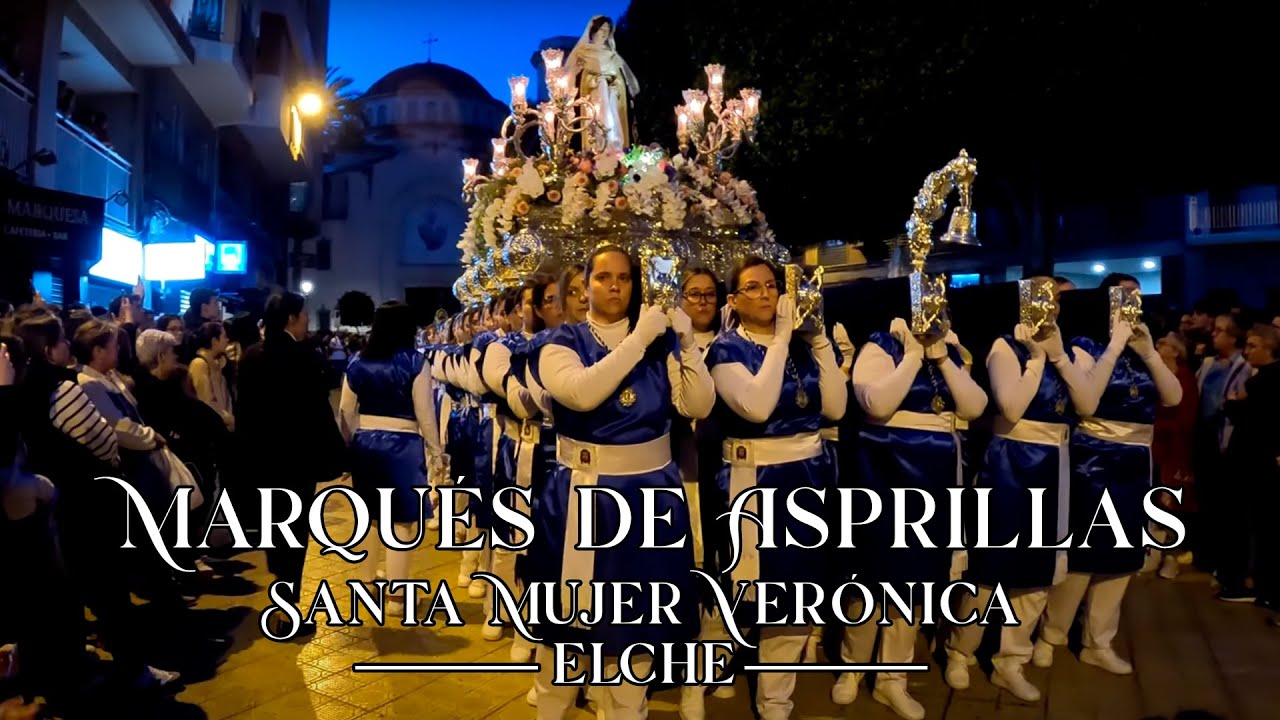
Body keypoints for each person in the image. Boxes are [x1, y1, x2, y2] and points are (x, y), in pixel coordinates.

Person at [526, 245, 715, 720]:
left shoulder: (660, 343)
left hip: (650, 495)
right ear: (584, 285)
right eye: (603, 277)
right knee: (566, 630)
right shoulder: (561, 342)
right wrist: (638, 340)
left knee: (637, 631)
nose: (614, 286)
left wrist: (687, 343)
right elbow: (581, 393)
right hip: (583, 497)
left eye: (624, 278)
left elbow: (698, 406)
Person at [945, 279, 1102, 702]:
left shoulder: (1075, 350)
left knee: (1040, 571)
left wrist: (1058, 358)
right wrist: (1036, 359)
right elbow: (1011, 406)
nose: (1050, 307)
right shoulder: (1004, 347)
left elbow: (1087, 405)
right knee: (989, 567)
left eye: (1057, 300)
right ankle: (962, 650)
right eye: (1042, 298)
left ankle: (1011, 660)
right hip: (1010, 462)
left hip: (1056, 464)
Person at [706, 257, 846, 720]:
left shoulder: (806, 345)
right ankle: (715, 669)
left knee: (796, 596)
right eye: (753, 287)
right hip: (755, 481)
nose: (766, 295)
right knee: (741, 590)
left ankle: (776, 702)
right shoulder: (726, 350)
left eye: (771, 286)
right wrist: (784, 337)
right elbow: (757, 407)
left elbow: (837, 409)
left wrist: (821, 340)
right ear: (733, 301)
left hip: (806, 478)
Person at [843, 313, 987, 719]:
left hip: (935, 478)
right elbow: (875, 401)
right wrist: (911, 355)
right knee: (871, 577)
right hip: (884, 472)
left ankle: (893, 679)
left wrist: (941, 357)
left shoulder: (949, 347)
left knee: (916, 581)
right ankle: (852, 666)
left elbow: (974, 406)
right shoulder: (881, 344)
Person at [1036, 297, 1183, 674]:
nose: (1130, 310)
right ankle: (1051, 635)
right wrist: (1115, 346)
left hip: (1135, 461)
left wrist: (1149, 353)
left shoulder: (1143, 354)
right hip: (1094, 457)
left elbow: (1173, 396)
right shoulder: (1085, 347)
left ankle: (1098, 641)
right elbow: (1087, 401)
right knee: (1083, 555)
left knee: (1123, 556)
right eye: (1122, 301)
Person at [236, 292, 346, 638]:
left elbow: (246, 412)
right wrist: (336, 456)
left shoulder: (252, 356)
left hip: (263, 458)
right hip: (296, 460)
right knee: (294, 532)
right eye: (304, 315)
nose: (307, 321)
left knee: (274, 527)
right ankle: (287, 605)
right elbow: (318, 411)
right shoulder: (303, 356)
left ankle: (280, 593)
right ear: (290, 319)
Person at [340, 302, 445, 615]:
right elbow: (426, 414)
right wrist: (436, 452)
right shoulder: (415, 362)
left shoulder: (358, 361)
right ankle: (399, 597)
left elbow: (346, 411)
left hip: (366, 443)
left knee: (371, 517)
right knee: (401, 521)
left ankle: (367, 581)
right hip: (402, 445)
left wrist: (347, 451)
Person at [1219, 324, 1280, 608]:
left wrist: (1234, 405)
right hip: (1252, 462)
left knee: (1255, 525)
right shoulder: (1260, 380)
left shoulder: (1265, 382)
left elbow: (1245, 416)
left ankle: (1254, 582)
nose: (1247, 351)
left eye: (1254, 346)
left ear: (1270, 349)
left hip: (1256, 464)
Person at [1153, 332, 1199, 580]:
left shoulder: (1185, 378)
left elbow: (1186, 420)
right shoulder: (1156, 374)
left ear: (1176, 351)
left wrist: (1155, 426)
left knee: (1172, 505)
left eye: (1162, 343)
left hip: (1176, 451)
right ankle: (1154, 554)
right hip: (1155, 449)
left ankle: (1172, 557)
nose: (1157, 346)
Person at [567, 16, 639, 151]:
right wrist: (595, 82)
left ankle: (615, 150)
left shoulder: (613, 55)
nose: (604, 33)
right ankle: (595, 150)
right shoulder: (582, 54)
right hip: (592, 101)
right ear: (593, 31)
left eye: (607, 30)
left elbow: (621, 80)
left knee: (613, 126)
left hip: (612, 100)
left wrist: (613, 85)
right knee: (596, 127)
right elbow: (575, 80)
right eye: (601, 29)